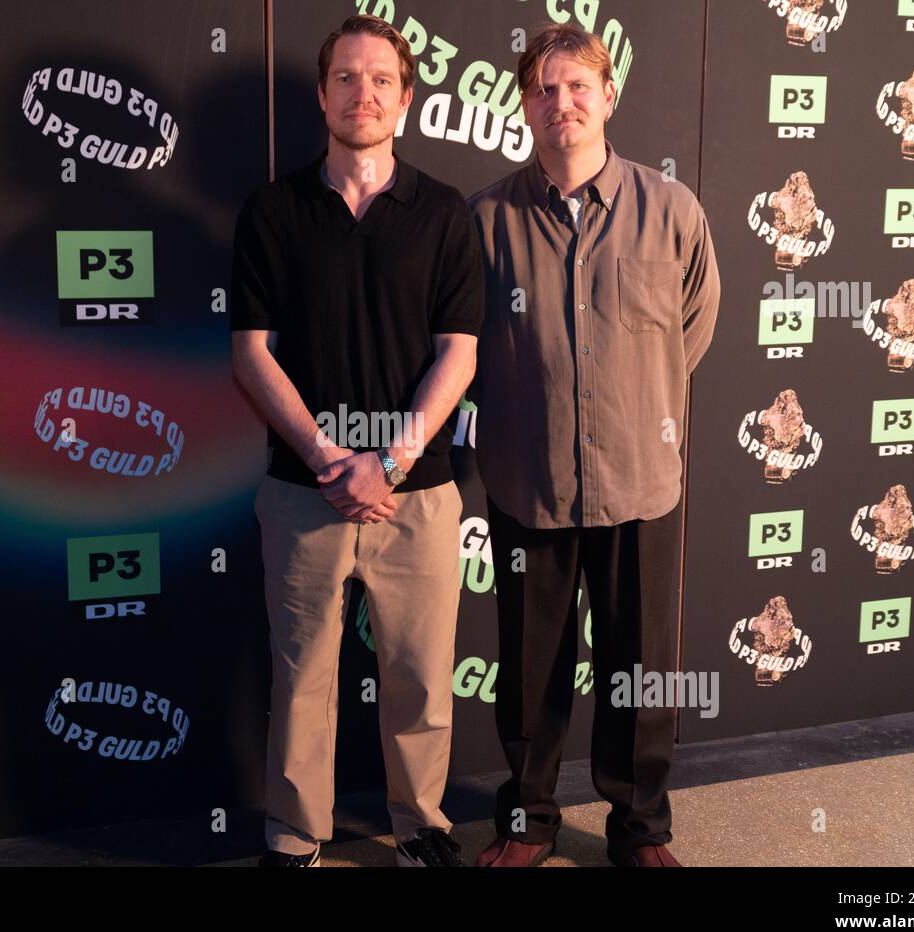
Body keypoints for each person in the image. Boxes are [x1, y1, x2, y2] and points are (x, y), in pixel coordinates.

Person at [230, 14, 483, 867]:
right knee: (302, 679)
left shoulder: (444, 213)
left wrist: (391, 461)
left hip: (419, 492)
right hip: (303, 490)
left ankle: (422, 825)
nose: (362, 93)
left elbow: (459, 354)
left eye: (380, 80)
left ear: (405, 101)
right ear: (322, 94)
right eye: (346, 77)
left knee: (421, 677)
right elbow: (251, 353)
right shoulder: (272, 210)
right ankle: (296, 833)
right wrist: (328, 459)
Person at [467, 23, 720, 867]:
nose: (561, 103)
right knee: (528, 670)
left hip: (640, 482)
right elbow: (464, 347)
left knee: (641, 672)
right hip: (528, 481)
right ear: (524, 105)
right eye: (544, 89)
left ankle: (641, 829)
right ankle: (527, 822)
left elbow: (690, 330)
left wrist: (632, 405)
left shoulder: (672, 210)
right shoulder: (486, 220)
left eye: (578, 86)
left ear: (609, 96)